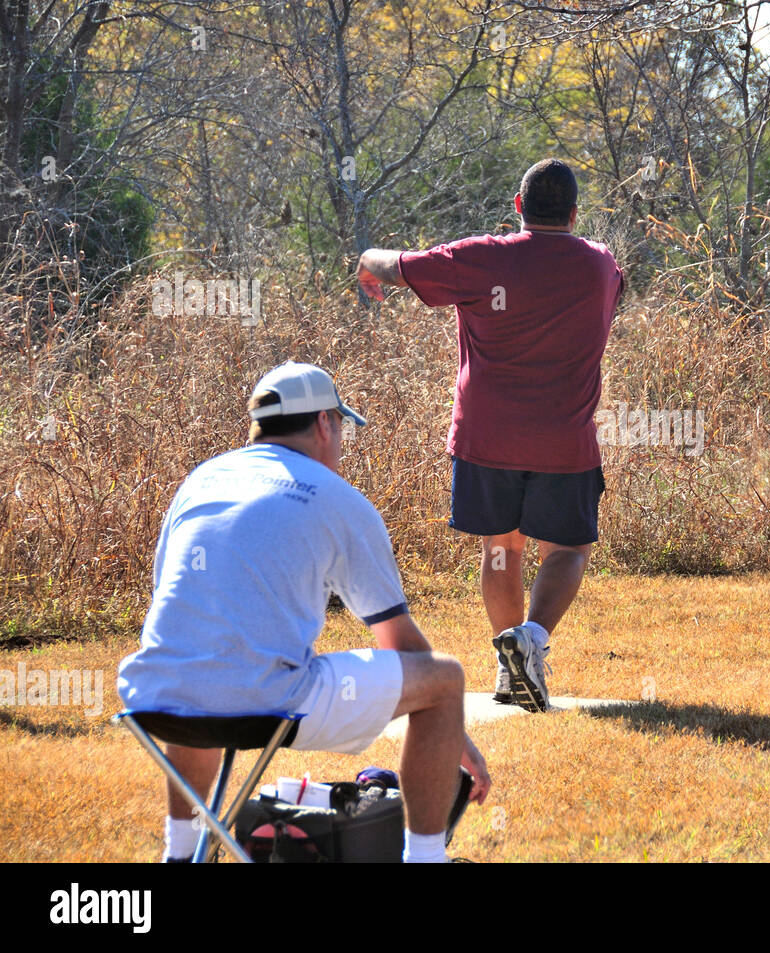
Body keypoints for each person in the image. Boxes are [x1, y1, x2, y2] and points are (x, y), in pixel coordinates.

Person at [117, 361, 489, 863]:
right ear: (323, 424)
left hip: (156, 697)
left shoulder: (200, 481)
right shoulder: (336, 496)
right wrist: (454, 734)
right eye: (340, 427)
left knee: (201, 665)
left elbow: (180, 604)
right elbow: (398, 641)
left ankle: (180, 853)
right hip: (267, 705)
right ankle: (425, 857)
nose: (339, 442)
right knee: (444, 679)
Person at [356, 158, 625, 714]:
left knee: (501, 547)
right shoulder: (600, 266)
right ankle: (531, 641)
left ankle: (511, 665)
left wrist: (366, 261)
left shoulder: (481, 258)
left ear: (519, 207)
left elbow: (399, 267)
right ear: (575, 213)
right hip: (564, 439)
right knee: (569, 547)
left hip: (486, 436)